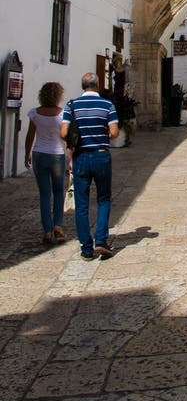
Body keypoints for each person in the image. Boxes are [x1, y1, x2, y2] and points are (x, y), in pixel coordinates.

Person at [61, 73, 119, 261]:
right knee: (103, 198)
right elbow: (114, 132)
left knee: (82, 204)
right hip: (101, 155)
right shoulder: (107, 105)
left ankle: (86, 249)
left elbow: (63, 132)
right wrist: (101, 135)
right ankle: (101, 240)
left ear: (82, 85)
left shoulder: (71, 105)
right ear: (98, 85)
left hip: (80, 157)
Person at [25, 82, 68, 245]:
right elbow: (64, 136)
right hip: (57, 155)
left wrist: (27, 154)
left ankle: (47, 231)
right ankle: (57, 225)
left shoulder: (35, 113)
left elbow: (30, 135)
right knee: (58, 191)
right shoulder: (62, 114)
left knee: (44, 193)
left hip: (39, 154)